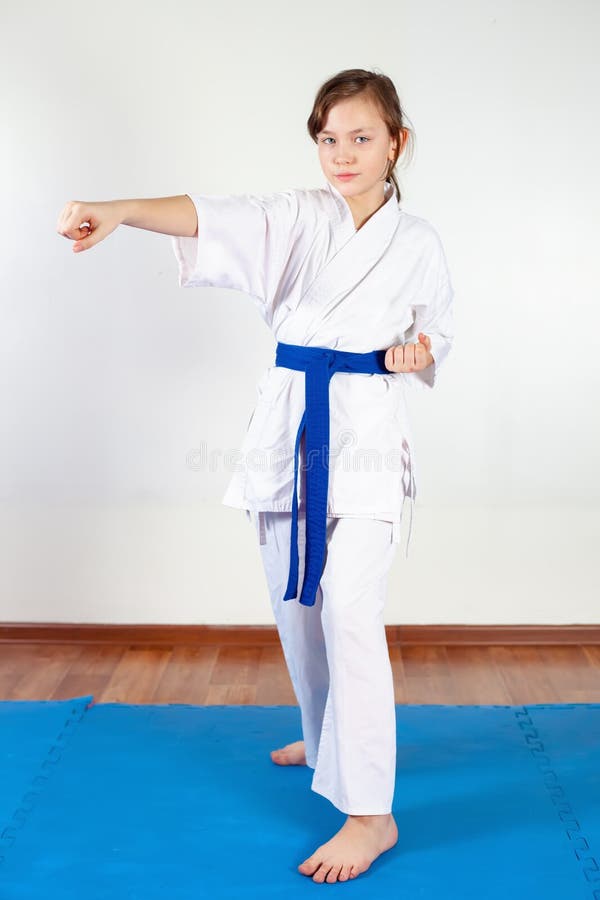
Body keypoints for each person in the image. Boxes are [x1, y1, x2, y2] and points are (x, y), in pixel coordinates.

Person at [56, 67, 454, 885]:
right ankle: (326, 732)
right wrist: (122, 210)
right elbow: (211, 215)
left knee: (348, 609)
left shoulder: (417, 242)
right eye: (328, 138)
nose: (342, 154)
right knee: (295, 605)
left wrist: (417, 353)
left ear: (397, 143)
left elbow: (436, 334)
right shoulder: (300, 216)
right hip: (288, 428)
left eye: (361, 137)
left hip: (365, 439)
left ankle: (371, 814)